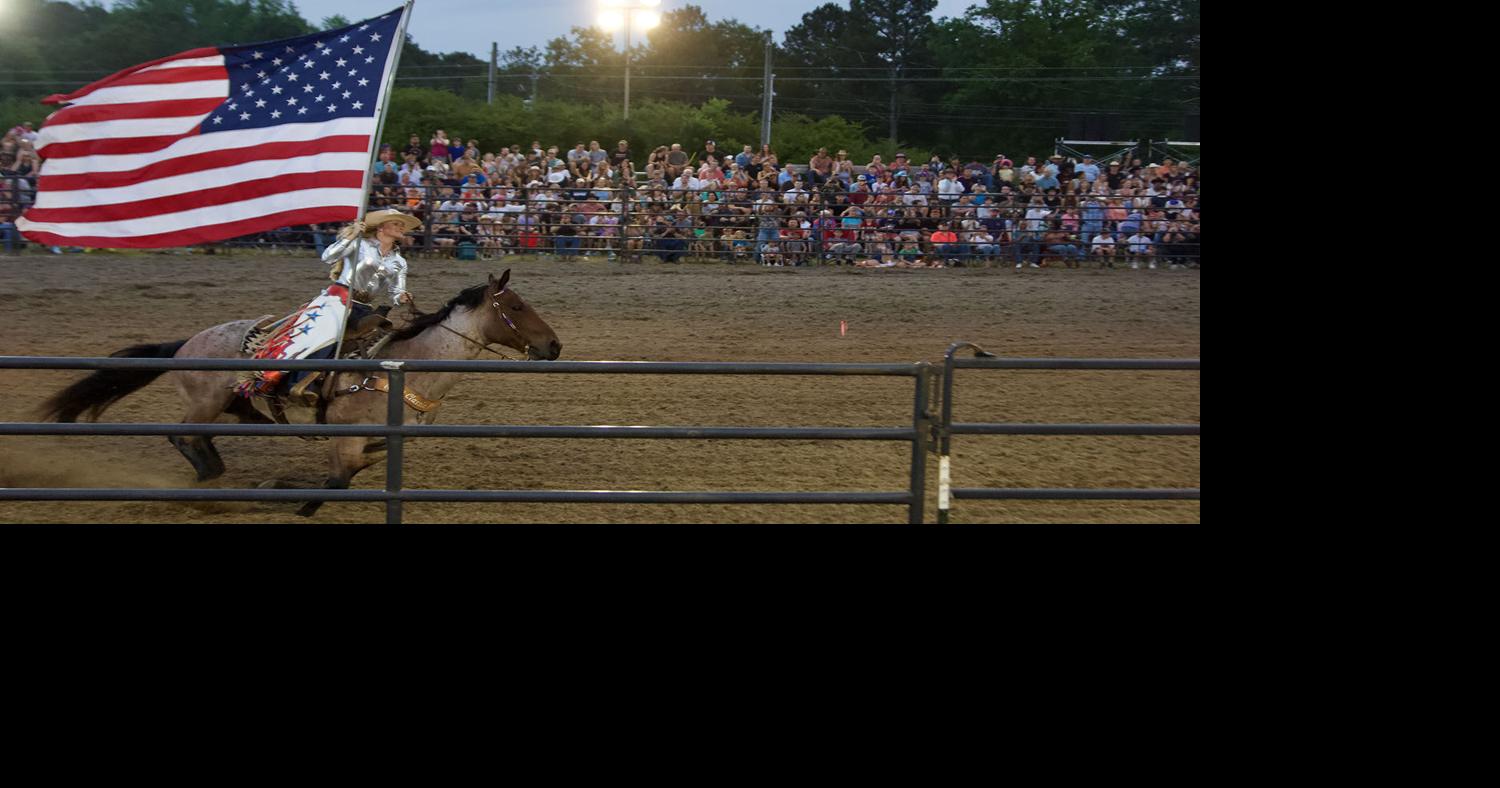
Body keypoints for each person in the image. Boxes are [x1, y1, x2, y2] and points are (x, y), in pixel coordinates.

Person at [240, 209, 422, 402]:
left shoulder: (399, 262)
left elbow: (395, 291)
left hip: (363, 307)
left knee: (379, 341)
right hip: (337, 300)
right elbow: (328, 257)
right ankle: (296, 383)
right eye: (396, 224)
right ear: (381, 227)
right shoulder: (360, 244)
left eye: (402, 225)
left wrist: (401, 297)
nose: (401, 228)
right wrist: (351, 237)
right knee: (327, 335)